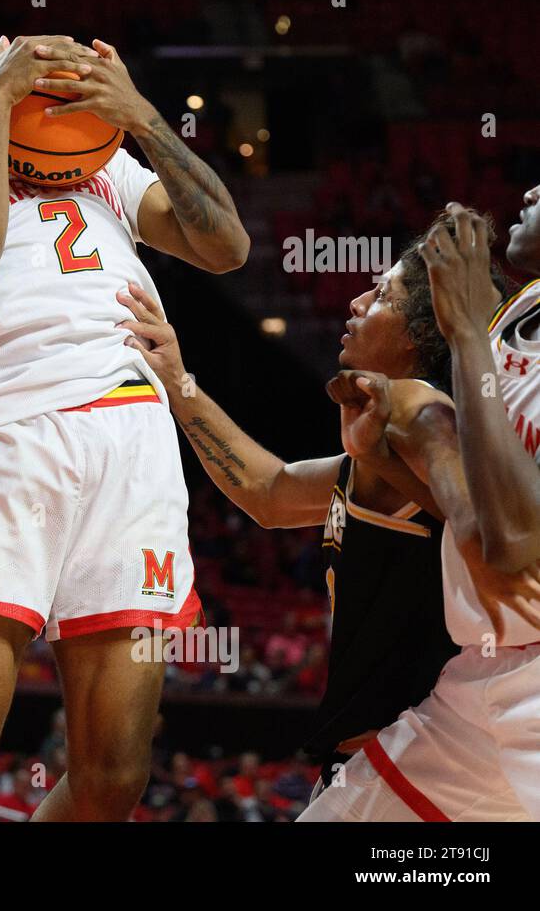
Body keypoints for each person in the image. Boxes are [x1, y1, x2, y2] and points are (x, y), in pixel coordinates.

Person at [0, 31, 248, 820]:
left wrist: (141, 116)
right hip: (14, 438)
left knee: (115, 771)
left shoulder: (99, 164)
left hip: (135, 448)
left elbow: (227, 247)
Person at [115, 214, 514, 795]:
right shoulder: (387, 448)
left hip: (418, 757)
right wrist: (178, 381)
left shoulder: (427, 415)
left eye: (380, 294)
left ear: (419, 335)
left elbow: (492, 535)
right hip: (418, 762)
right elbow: (269, 492)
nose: (355, 301)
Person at [300, 192, 540, 820]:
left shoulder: (477, 336)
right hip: (482, 678)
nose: (532, 191)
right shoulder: (516, 314)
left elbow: (513, 544)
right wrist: (384, 456)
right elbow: (477, 514)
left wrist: (436, 419)